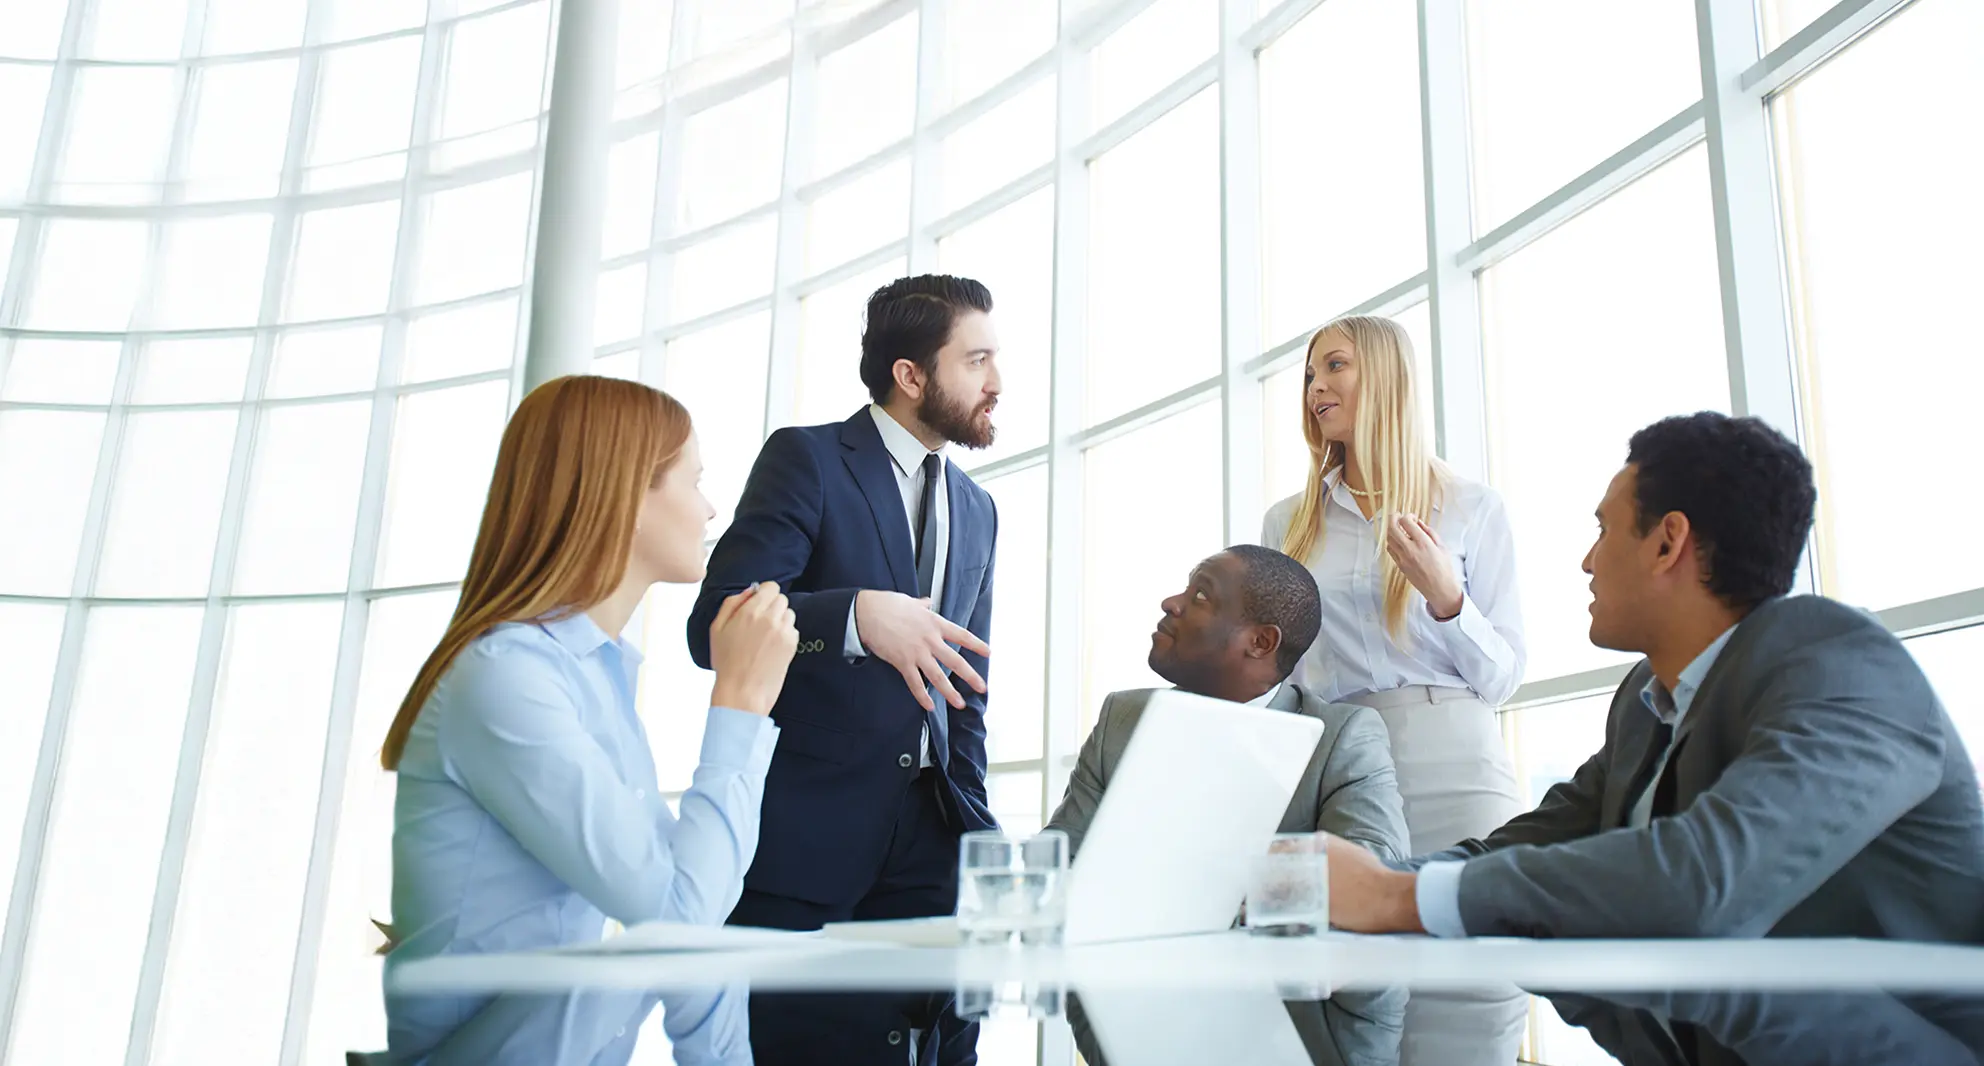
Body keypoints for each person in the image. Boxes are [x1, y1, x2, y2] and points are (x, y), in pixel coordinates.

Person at [1324, 412, 1984, 953]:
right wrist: (1344, 884)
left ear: (1668, 543)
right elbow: (1522, 848)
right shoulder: (1648, 702)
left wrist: (1394, 898)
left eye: (1604, 529)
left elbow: (1700, 880)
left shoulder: (1846, 670)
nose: (1586, 562)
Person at [380, 375, 799, 1065]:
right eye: (694, 483)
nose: (710, 509)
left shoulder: (590, 676)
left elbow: (695, 923)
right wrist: (740, 702)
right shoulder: (507, 681)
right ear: (628, 491)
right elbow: (679, 924)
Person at [687, 274, 1003, 1064]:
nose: (995, 383)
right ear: (911, 375)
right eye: (976, 361)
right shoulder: (810, 460)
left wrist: (979, 822)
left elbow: (966, 688)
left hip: (938, 836)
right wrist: (856, 617)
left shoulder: (979, 507)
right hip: (814, 838)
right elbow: (716, 623)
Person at [1262, 314, 1529, 1063]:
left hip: (1458, 766)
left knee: (1477, 983)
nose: (1316, 388)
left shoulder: (1473, 508)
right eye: (1310, 375)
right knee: (1351, 997)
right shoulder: (1287, 525)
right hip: (1343, 775)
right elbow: (1276, 675)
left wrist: (1449, 600)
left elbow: (1503, 676)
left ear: (1384, 375)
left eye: (1335, 367)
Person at [1047, 545, 1408, 864]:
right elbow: (1060, 860)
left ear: (1261, 642)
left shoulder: (1341, 739)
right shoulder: (1121, 719)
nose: (1171, 603)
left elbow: (1371, 867)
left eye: (1201, 596)